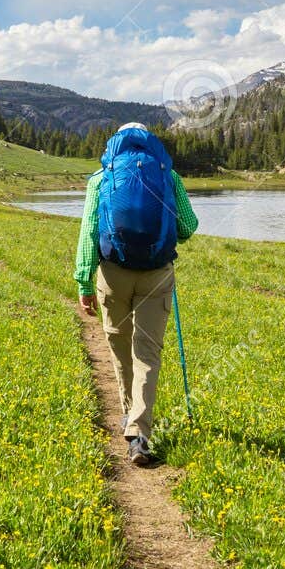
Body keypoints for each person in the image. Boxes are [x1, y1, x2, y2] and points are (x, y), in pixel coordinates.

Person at [74, 122, 198, 465]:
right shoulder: (168, 177)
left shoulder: (101, 178)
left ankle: (129, 416)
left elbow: (88, 234)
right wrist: (163, 238)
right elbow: (189, 227)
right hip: (157, 274)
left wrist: (84, 283)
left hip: (113, 275)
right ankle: (139, 434)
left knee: (119, 346)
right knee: (147, 353)